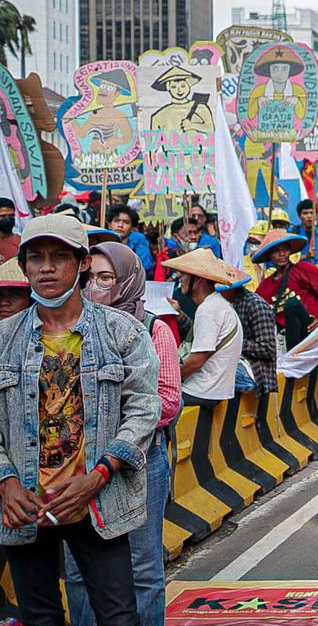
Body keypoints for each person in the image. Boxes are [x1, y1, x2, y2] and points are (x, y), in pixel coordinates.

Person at [0, 214, 159, 626]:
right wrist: (7, 481)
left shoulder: (121, 331)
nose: (46, 267)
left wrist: (100, 473)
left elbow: (143, 408)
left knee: (119, 616)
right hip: (26, 506)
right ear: (24, 266)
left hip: (97, 503)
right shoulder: (3, 340)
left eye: (58, 257)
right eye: (35, 258)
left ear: (82, 263)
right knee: (40, 616)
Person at [66, 241, 181, 626]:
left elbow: (167, 401)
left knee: (142, 566)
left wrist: (115, 421)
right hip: (77, 461)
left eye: (106, 278)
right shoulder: (68, 329)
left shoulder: (153, 329)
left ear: (128, 280)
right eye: (89, 278)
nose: (95, 287)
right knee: (78, 568)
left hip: (140, 460)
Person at [162, 248, 249, 407]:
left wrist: (169, 379)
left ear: (200, 280)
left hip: (203, 390)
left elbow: (196, 361)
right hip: (215, 388)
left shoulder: (208, 310)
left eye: (184, 275)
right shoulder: (215, 304)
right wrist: (179, 313)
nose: (180, 279)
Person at [253, 229, 318, 344]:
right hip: (286, 337)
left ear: (290, 251)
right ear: (269, 255)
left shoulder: (302, 268)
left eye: (285, 249)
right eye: (276, 251)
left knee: (292, 304)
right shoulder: (265, 286)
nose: (282, 254)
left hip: (313, 331)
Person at [225, 283, 279, 397]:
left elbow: (268, 349)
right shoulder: (226, 303)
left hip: (254, 371)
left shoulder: (255, 305)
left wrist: (232, 341)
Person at [106, 204, 154, 277]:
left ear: (132, 227)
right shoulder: (102, 242)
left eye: (126, 222)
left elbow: (146, 266)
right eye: (117, 221)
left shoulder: (139, 241)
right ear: (109, 225)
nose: (120, 225)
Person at [291, 199, 318, 269]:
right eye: (305, 213)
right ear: (299, 216)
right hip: (300, 273)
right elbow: (286, 258)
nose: (309, 216)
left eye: (312, 213)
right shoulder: (292, 233)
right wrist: (305, 256)